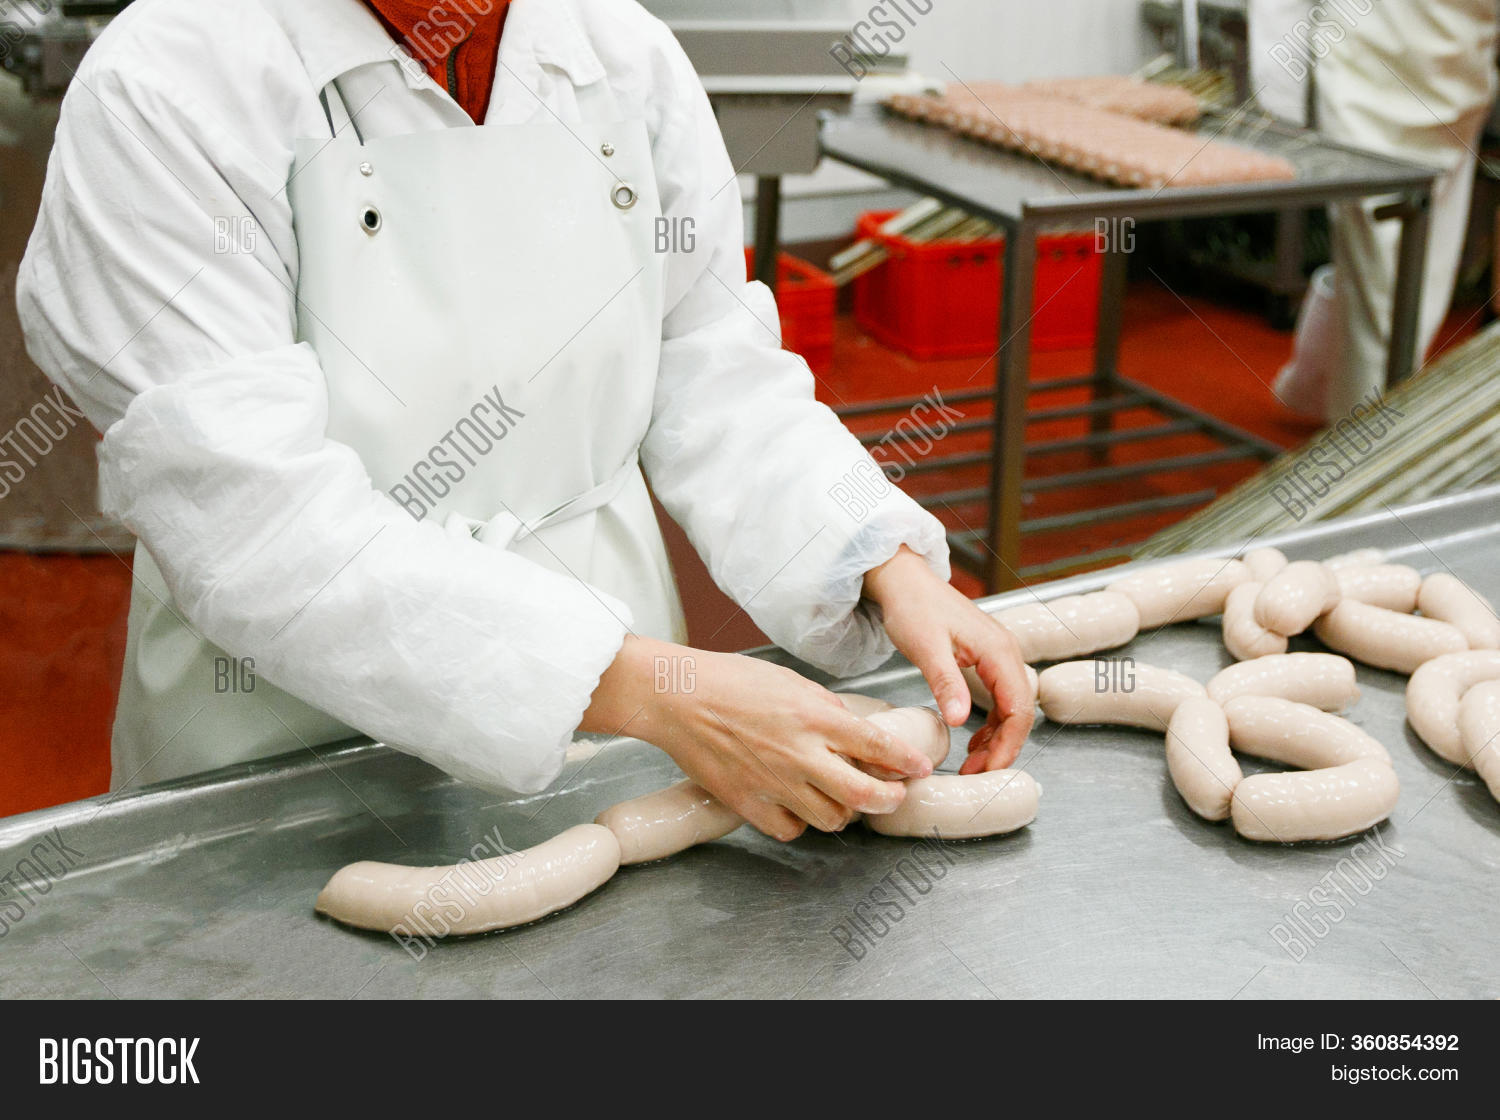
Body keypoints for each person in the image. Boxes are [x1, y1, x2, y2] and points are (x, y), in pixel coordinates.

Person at [17, 0, 1034, 841]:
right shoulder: (169, 84)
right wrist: (658, 690)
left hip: (633, 731)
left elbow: (712, 367)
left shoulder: (620, 54)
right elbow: (259, 525)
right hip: (279, 746)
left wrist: (875, 556)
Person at [1262, 0, 1499, 420]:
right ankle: (1361, 435)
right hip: (1363, 75)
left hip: (1458, 80)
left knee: (1421, 273)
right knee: (1379, 273)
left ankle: (1316, 388)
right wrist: (1278, 99)